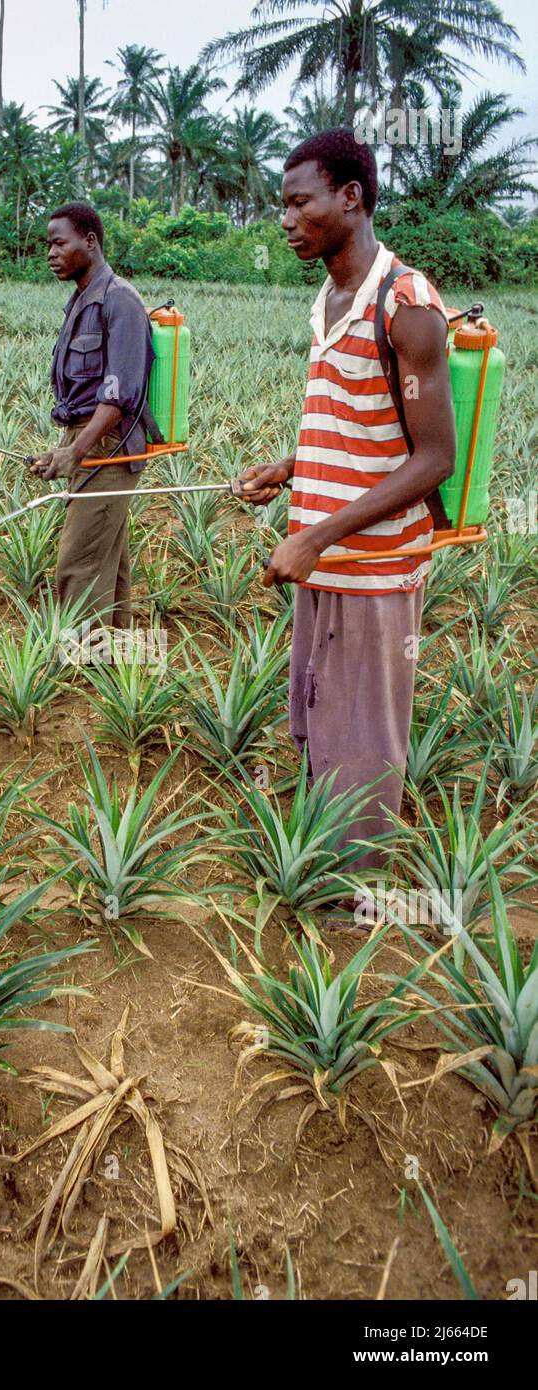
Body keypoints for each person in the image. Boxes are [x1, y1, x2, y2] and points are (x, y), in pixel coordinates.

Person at [236, 128, 456, 903]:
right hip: (322, 552)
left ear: (350, 197)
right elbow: (355, 420)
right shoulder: (327, 297)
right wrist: (289, 469)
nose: (285, 219)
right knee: (321, 716)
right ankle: (323, 859)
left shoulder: (407, 306)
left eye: (299, 202)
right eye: (282, 205)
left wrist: (316, 535)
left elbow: (433, 457)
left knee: (363, 739)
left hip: (371, 563)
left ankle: (355, 900)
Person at [29, 202, 155, 631]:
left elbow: (118, 398)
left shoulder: (119, 301)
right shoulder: (81, 301)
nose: (51, 252)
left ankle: (82, 678)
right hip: (89, 441)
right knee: (107, 558)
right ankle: (115, 662)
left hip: (110, 446)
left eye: (59, 242)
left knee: (79, 562)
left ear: (90, 241)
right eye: (48, 245)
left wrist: (75, 453)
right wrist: (62, 451)